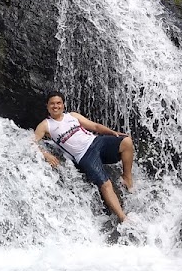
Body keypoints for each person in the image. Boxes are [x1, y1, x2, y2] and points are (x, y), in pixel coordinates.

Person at [33, 91, 135, 222]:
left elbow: (95, 126)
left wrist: (111, 132)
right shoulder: (45, 125)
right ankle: (123, 217)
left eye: (58, 103)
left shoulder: (72, 116)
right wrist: (46, 154)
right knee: (105, 184)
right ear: (47, 106)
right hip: (84, 156)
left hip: (96, 142)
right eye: (52, 103)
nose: (55, 106)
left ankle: (127, 178)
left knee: (126, 141)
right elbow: (31, 142)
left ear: (63, 105)